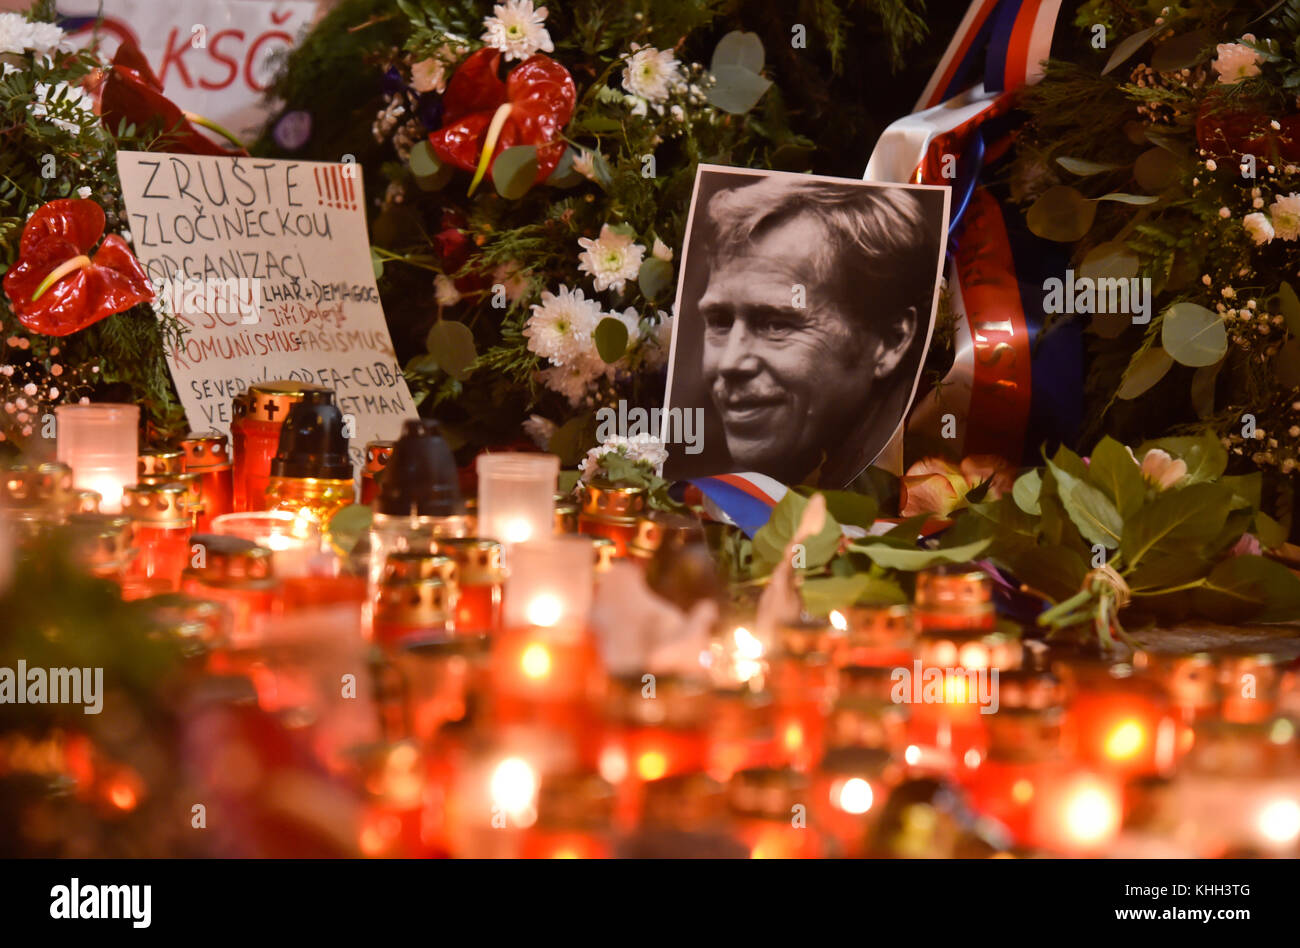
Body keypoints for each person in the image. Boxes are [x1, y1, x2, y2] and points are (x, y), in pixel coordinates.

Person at [694, 175, 939, 485]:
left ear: (891, 340)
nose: (729, 363)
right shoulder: (741, 481)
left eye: (775, 324)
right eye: (719, 321)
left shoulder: (920, 495)